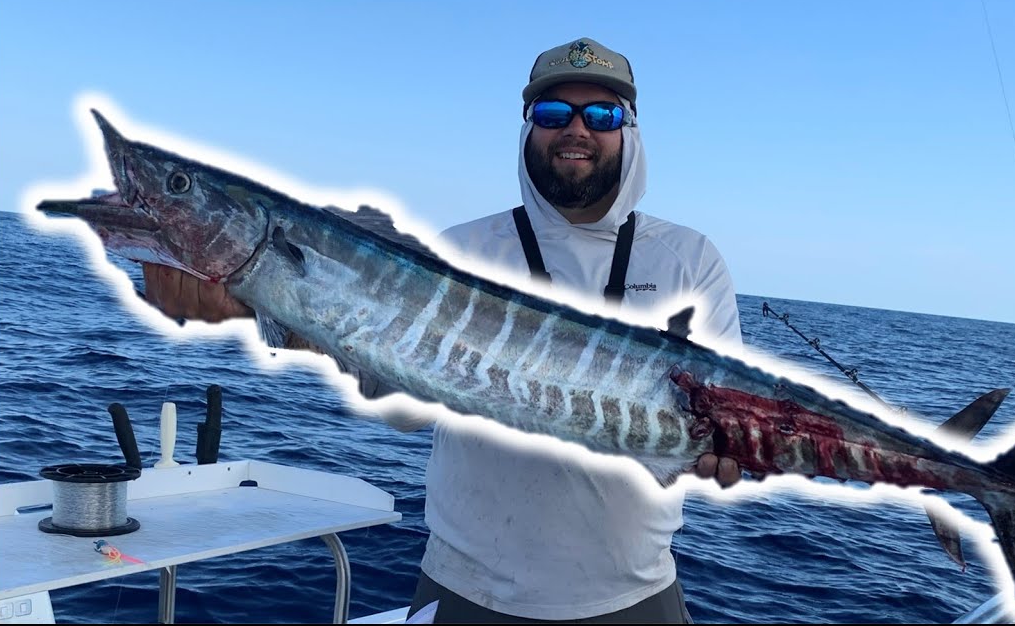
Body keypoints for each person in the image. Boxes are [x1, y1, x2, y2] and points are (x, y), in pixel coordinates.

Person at [141, 36, 746, 624]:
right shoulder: (462, 250)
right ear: (529, 127)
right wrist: (283, 313)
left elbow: (725, 418)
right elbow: (407, 412)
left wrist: (728, 445)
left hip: (634, 596)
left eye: (602, 113)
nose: (576, 128)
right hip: (467, 589)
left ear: (629, 130)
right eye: (554, 111)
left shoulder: (689, 261)